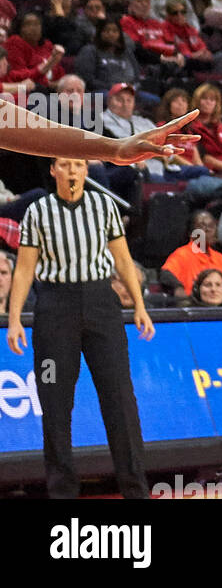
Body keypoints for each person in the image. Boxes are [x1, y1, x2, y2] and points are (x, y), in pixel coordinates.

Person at [6, 158, 154, 498]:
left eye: (78, 165)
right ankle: (62, 492)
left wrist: (140, 304)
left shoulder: (104, 205)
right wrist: (15, 319)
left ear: (86, 171)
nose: (72, 171)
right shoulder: (38, 210)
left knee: (120, 399)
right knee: (55, 400)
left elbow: (122, 259)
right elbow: (25, 270)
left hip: (102, 303)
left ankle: (136, 490)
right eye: (65, 165)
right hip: (54, 308)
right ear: (54, 171)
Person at [159, 210, 222, 299]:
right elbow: (165, 274)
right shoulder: (182, 254)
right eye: (202, 226)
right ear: (191, 232)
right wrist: (178, 288)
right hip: (193, 306)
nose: (207, 229)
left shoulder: (221, 259)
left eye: (211, 226)